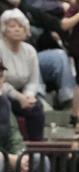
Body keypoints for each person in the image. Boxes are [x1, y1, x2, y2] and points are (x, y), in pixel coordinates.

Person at [0, 9, 45, 140]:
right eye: (12, 26)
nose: (17, 29)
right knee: (4, 103)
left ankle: (36, 149)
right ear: (4, 29)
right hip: (2, 92)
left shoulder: (30, 51)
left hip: (22, 94)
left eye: (21, 26)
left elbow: (33, 80)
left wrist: (28, 96)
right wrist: (18, 96)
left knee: (36, 107)